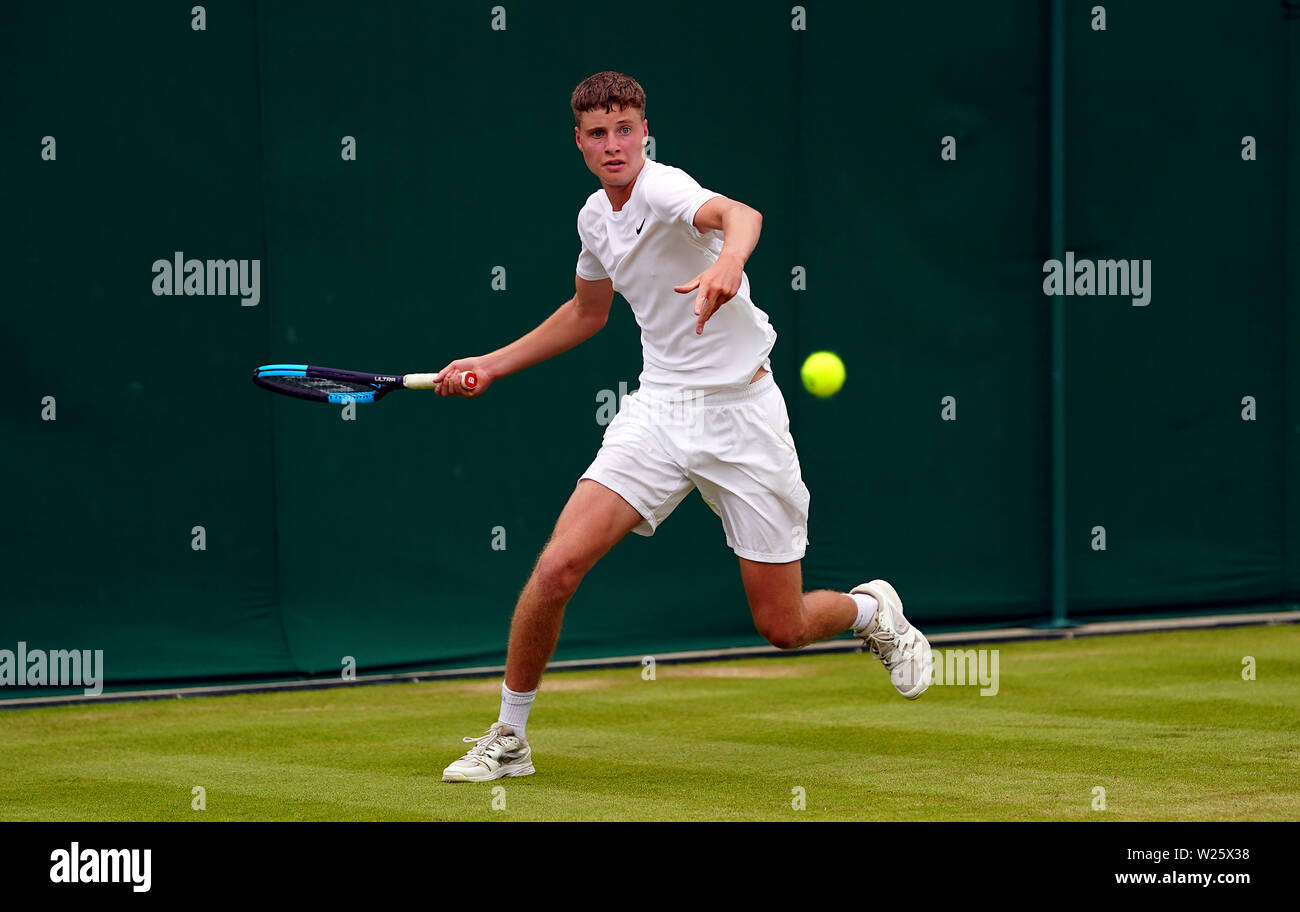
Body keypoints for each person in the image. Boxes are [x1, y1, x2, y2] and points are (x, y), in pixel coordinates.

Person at [433, 71, 932, 783]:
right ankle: (510, 738)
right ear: (578, 142)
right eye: (599, 133)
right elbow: (587, 313)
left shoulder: (666, 189)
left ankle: (869, 611)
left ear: (645, 133)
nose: (615, 145)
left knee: (782, 626)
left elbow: (744, 215)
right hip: (660, 411)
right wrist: (491, 363)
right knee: (555, 568)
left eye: (626, 129)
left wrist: (727, 265)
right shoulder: (592, 220)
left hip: (742, 415)